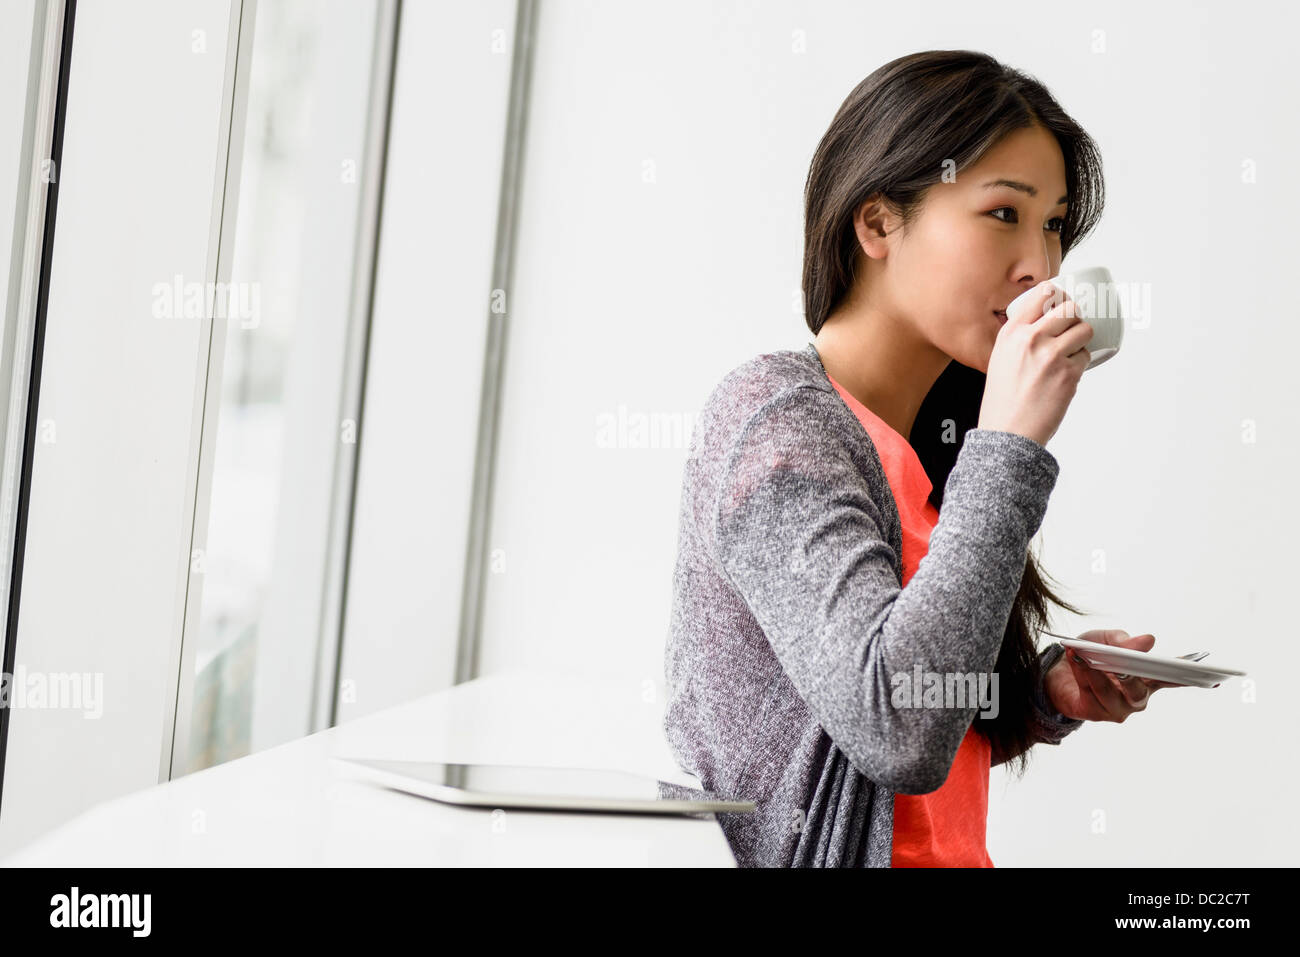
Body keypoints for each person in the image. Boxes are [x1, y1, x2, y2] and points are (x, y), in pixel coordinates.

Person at [660, 50, 1181, 868]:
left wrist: (1042, 696)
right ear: (877, 224)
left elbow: (925, 720)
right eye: (1004, 214)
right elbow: (895, 728)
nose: (1040, 268)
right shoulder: (775, 423)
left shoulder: (937, 441)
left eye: (1053, 225)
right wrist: (1009, 448)